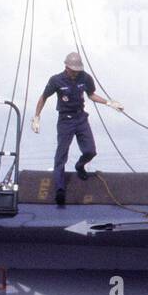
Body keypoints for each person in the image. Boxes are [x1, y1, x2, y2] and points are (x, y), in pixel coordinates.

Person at [32, 52, 123, 206]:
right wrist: (36, 117)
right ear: (66, 67)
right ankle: (60, 189)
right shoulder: (56, 80)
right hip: (65, 120)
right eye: (73, 70)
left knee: (90, 151)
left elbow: (91, 95)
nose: (75, 73)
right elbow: (43, 97)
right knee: (61, 155)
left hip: (81, 118)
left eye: (77, 70)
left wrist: (109, 103)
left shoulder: (85, 77)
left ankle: (80, 165)